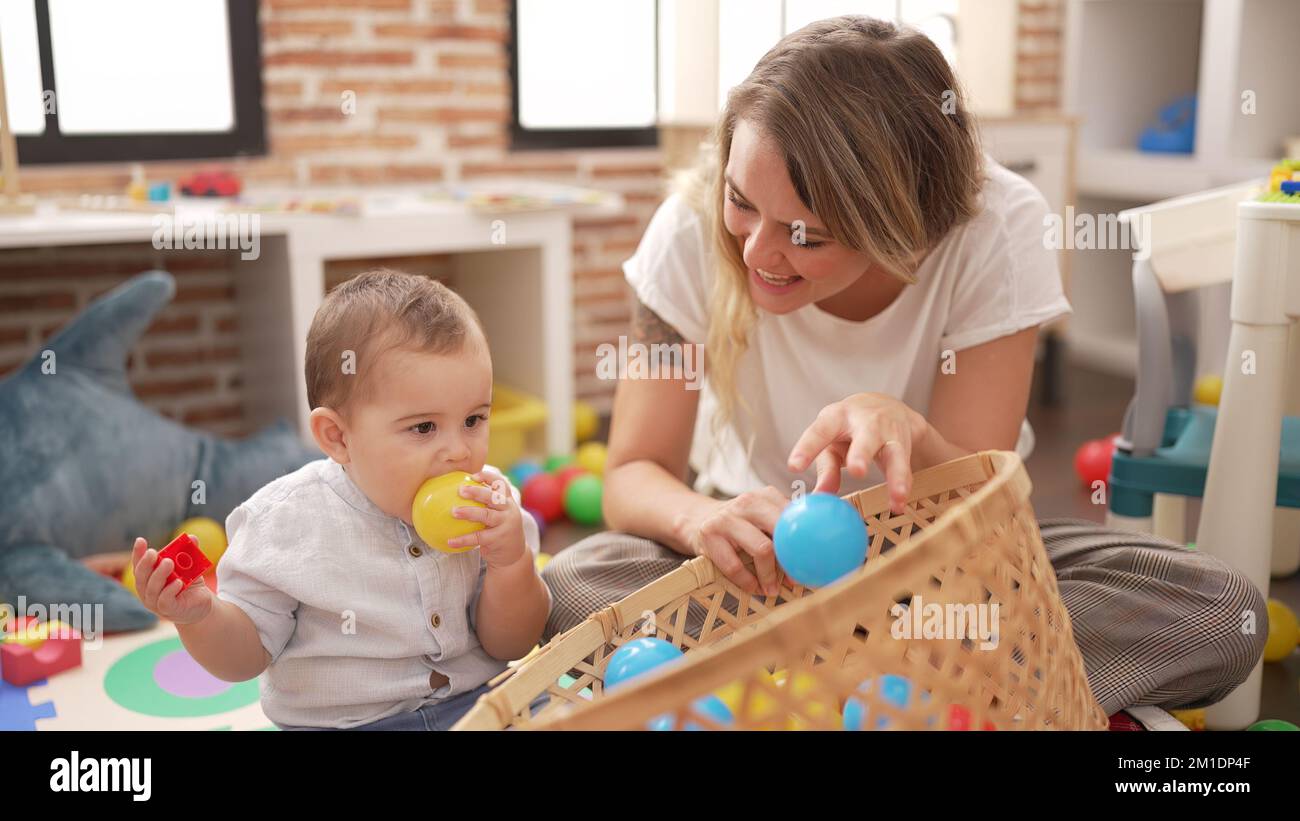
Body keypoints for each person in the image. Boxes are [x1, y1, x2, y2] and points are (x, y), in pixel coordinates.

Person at [541, 16, 1265, 716]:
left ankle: (789, 687)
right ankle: (903, 690)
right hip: (756, 571)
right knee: (576, 583)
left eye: (806, 235)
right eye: (741, 201)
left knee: (1216, 609)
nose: (757, 251)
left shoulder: (999, 224)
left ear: (904, 231)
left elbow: (975, 504)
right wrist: (704, 520)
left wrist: (916, 438)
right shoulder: (689, 226)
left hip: (944, 565)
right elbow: (633, 472)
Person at [131, 270, 551, 730]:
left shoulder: (493, 505)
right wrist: (200, 617)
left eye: (474, 419)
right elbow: (245, 658)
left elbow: (511, 643)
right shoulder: (285, 523)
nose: (459, 450)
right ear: (338, 437)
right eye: (424, 428)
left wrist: (510, 564)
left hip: (479, 706)